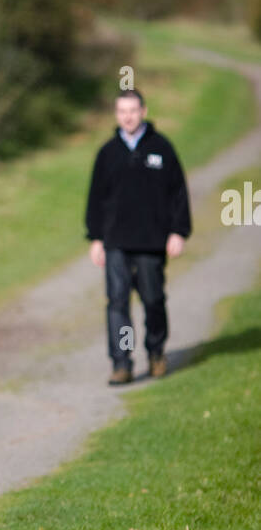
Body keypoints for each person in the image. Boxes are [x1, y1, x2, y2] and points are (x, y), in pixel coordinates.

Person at [85, 88, 191, 385]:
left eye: (132, 111)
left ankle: (156, 352)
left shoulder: (162, 148)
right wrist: (96, 239)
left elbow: (178, 193)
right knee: (118, 302)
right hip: (116, 241)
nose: (127, 117)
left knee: (153, 299)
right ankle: (123, 362)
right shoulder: (107, 153)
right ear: (116, 114)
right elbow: (96, 199)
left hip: (152, 241)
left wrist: (178, 232)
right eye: (122, 112)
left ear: (143, 111)